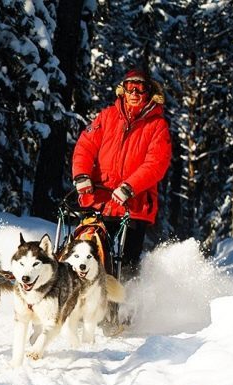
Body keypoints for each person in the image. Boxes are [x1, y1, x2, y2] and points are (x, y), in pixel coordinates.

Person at [71, 68, 172, 280]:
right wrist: (81, 175)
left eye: (140, 87)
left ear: (148, 91)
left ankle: (125, 309)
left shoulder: (157, 125)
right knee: (85, 255)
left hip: (133, 206)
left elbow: (157, 163)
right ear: (122, 90)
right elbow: (84, 147)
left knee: (127, 266)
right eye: (129, 87)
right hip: (99, 200)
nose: (134, 92)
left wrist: (129, 187)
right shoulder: (106, 117)